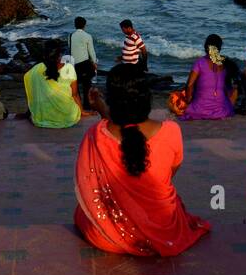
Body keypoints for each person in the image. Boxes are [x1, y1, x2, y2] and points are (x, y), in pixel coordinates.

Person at [74, 64, 211, 257]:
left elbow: (118, 133)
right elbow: (168, 173)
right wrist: (103, 108)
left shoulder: (95, 134)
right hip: (164, 230)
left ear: (113, 100)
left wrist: (101, 108)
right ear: (147, 98)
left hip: (109, 234)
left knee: (83, 210)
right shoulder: (171, 131)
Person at [24, 42, 84, 128]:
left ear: (45, 54)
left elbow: (32, 87)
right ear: (60, 54)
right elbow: (74, 94)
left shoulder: (37, 69)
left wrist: (29, 111)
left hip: (42, 116)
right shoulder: (68, 68)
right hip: (67, 117)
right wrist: (82, 111)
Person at [181, 34, 238, 120]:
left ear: (206, 46)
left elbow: (189, 85)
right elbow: (230, 86)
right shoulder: (226, 64)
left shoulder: (200, 62)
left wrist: (188, 101)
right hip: (222, 111)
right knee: (234, 90)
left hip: (199, 110)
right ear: (219, 48)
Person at [69, 16, 98, 108]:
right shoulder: (88, 36)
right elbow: (91, 51)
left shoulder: (70, 36)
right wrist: (94, 63)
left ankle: (78, 104)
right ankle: (87, 104)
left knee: (76, 85)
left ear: (75, 25)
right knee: (87, 85)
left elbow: (70, 49)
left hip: (74, 65)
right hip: (85, 64)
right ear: (84, 25)